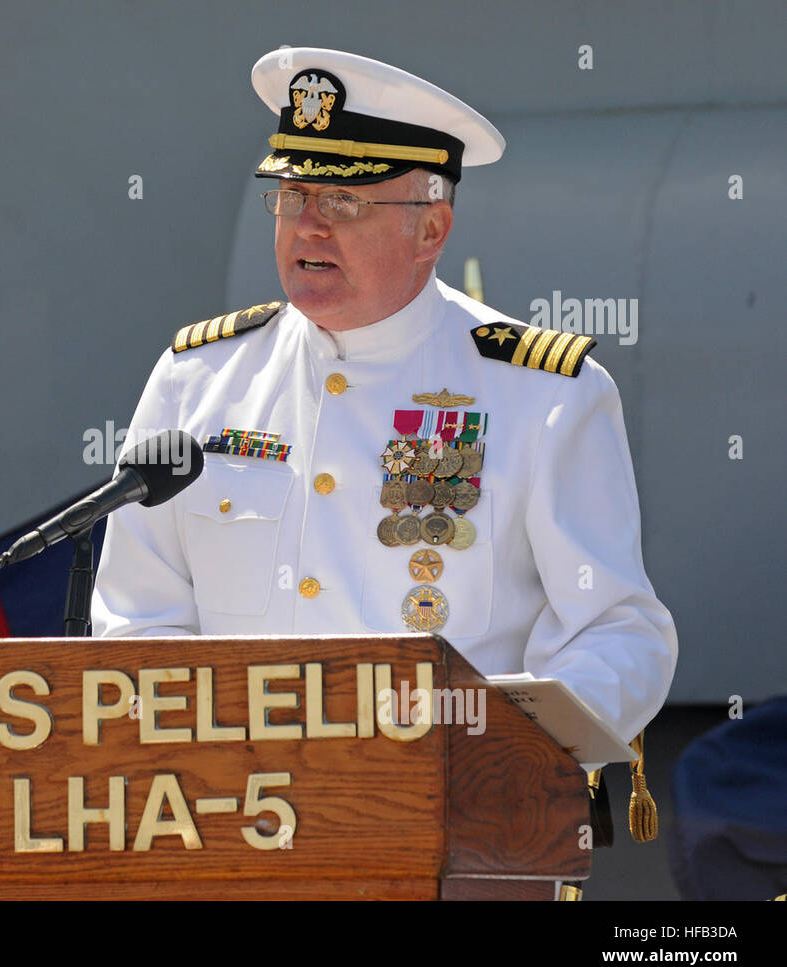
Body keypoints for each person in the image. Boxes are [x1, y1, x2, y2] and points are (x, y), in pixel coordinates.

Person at [90, 46, 677, 749]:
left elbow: (614, 630)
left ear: (430, 229)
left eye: (342, 200)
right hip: (234, 818)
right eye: (292, 196)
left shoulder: (543, 396)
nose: (308, 225)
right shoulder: (199, 377)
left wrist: (499, 755)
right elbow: (138, 616)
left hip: (449, 821)